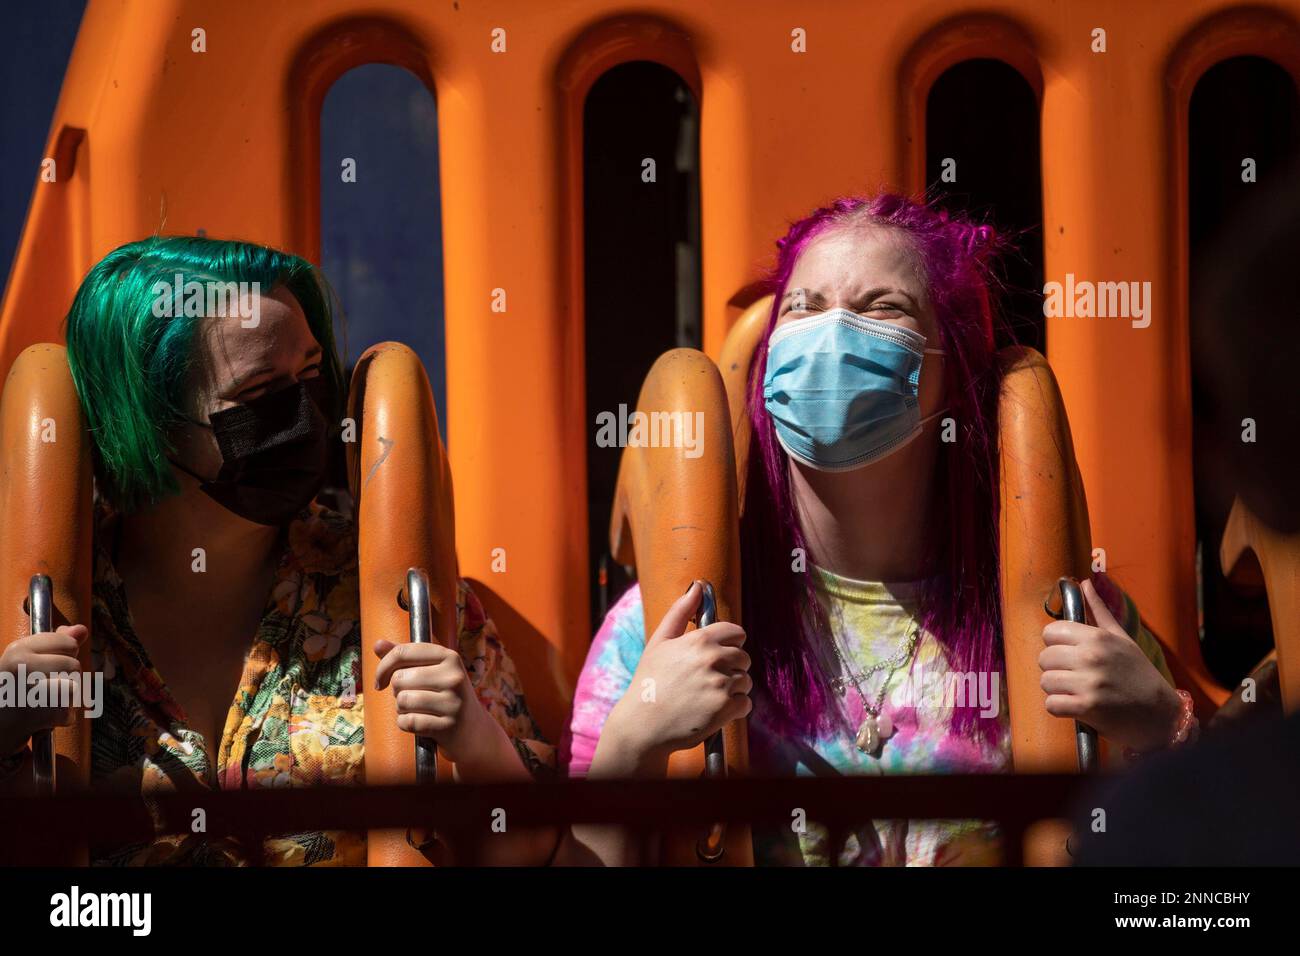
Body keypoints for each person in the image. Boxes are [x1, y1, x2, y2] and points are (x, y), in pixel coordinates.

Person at [562, 194, 1195, 866]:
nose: (832, 333)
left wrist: (1165, 727)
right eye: (803, 307)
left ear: (952, 375)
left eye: (880, 308)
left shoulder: (1062, 606)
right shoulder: (667, 618)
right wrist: (631, 744)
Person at [0, 236, 555, 865]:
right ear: (149, 422)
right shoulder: (28, 614)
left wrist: (475, 743)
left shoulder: (402, 595)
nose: (306, 417)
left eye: (313, 376)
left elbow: (530, 852)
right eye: (262, 395)